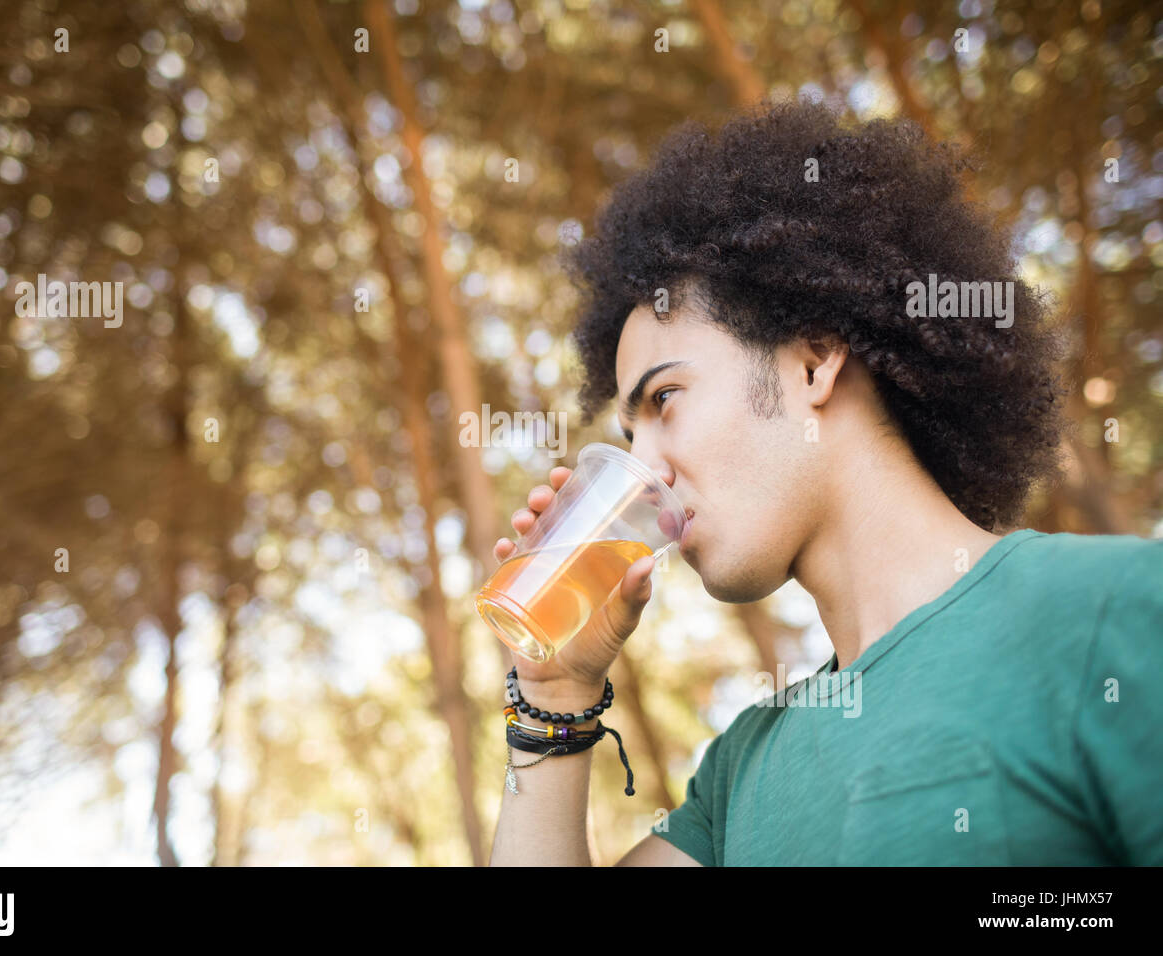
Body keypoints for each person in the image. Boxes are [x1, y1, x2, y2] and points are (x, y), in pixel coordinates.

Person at [486, 99, 1163, 867]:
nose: (648, 471)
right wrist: (553, 699)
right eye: (629, 436)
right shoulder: (735, 781)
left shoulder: (1116, 612)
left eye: (665, 398)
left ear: (814, 360)